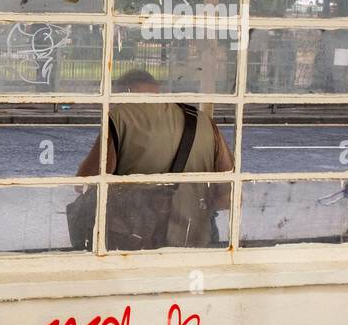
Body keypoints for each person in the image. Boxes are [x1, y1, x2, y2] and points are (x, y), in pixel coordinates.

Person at [73, 69, 234, 249]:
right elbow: (229, 196)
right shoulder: (203, 121)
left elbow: (85, 181)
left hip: (135, 242)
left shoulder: (121, 117)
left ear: (125, 91)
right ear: (157, 89)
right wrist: (189, 204)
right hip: (195, 240)